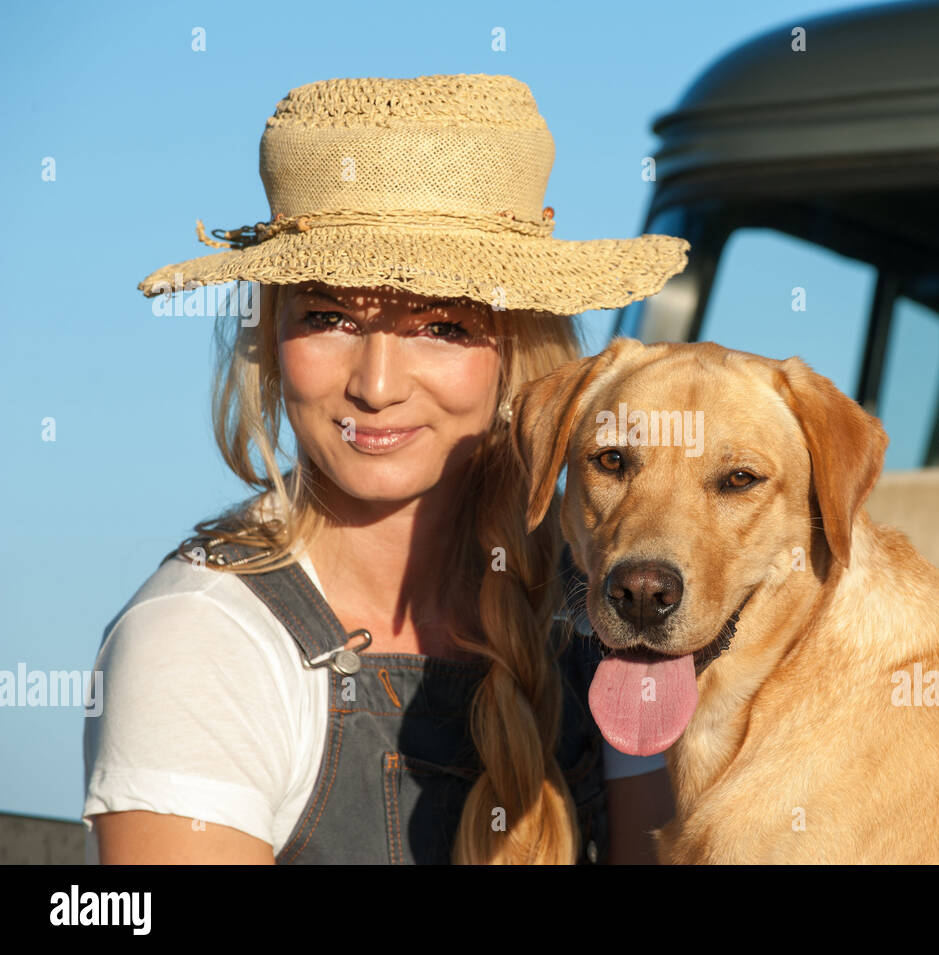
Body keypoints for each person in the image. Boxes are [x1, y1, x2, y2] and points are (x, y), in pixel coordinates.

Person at [82, 74, 690, 864]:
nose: (375, 385)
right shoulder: (200, 642)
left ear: (519, 349)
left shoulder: (607, 608)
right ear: (272, 334)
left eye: (441, 324)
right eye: (328, 316)